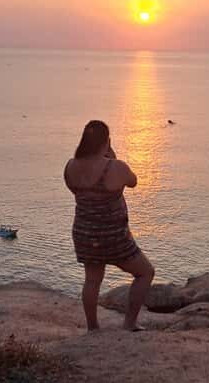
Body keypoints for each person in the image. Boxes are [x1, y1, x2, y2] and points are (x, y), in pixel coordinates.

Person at [64, 120, 155, 331]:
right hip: (114, 236)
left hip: (85, 234)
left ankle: (93, 328)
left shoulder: (70, 166)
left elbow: (77, 191)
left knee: (92, 280)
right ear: (106, 142)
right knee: (145, 273)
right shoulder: (116, 167)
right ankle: (129, 324)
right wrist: (112, 159)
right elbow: (133, 181)